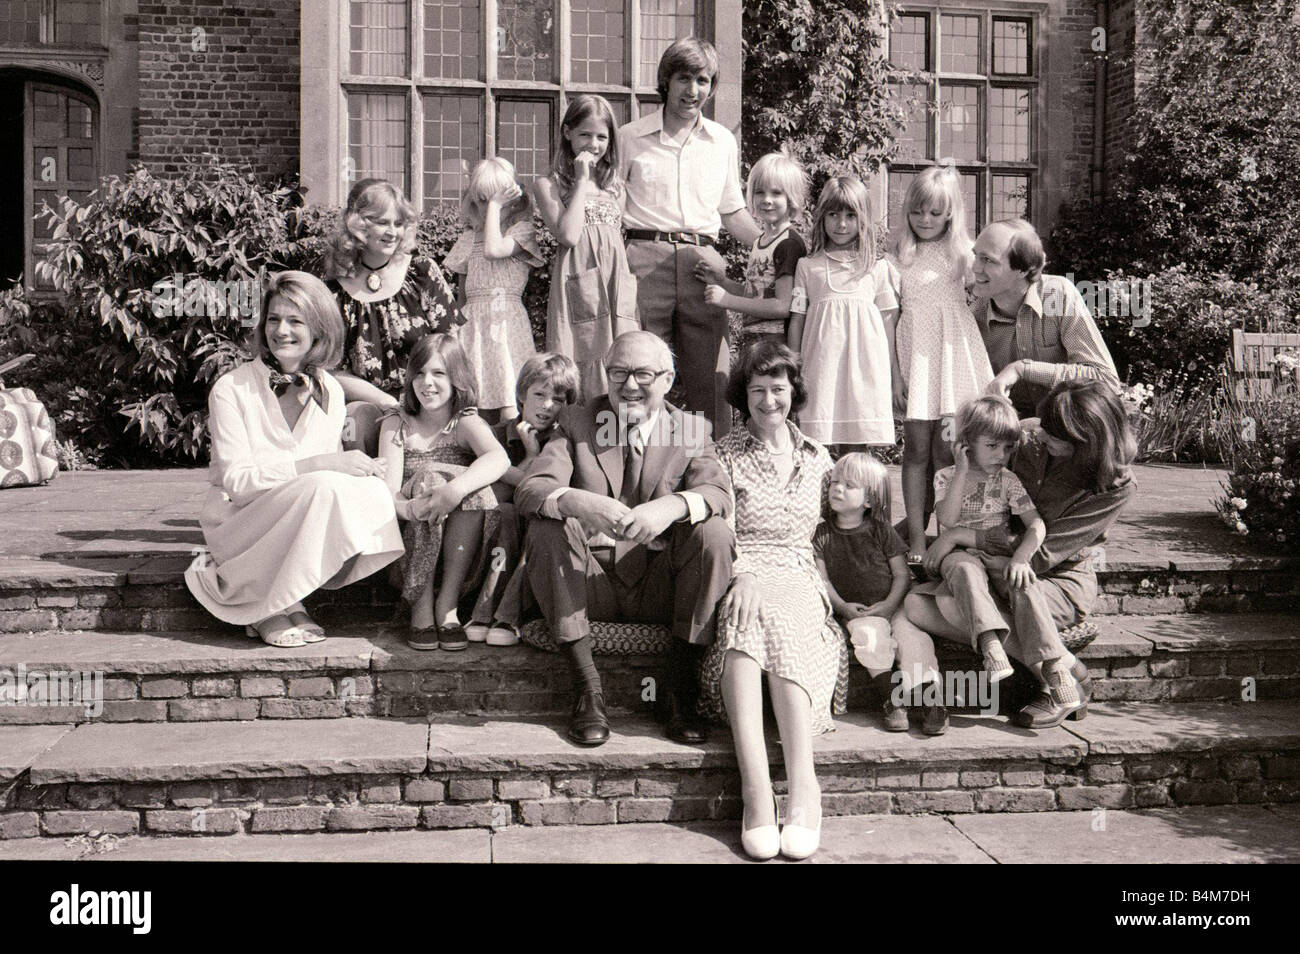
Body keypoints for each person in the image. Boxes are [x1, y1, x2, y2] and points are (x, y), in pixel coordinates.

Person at [516, 330, 734, 748]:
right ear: (604, 374)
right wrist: (578, 501)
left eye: (642, 374)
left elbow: (717, 494)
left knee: (714, 533)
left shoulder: (688, 428)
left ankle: (677, 690)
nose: (629, 385)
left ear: (667, 379)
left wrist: (670, 507)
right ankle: (587, 690)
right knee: (546, 525)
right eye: (618, 373)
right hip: (587, 582)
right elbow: (532, 489)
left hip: (660, 585)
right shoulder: (578, 421)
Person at [898, 379, 1137, 729]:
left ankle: (1052, 680)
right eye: (1041, 427)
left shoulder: (1117, 485)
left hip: (1051, 578)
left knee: (964, 600)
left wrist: (967, 536)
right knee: (919, 606)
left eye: (1052, 436)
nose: (1039, 437)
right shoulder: (1024, 437)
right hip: (988, 567)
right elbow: (964, 486)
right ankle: (1066, 661)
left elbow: (1045, 553)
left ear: (1085, 443)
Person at [185, 271, 403, 646]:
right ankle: (264, 605)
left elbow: (329, 477)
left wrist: (363, 471)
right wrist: (322, 465)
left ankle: (290, 595)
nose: (281, 331)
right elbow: (238, 484)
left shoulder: (330, 390)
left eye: (295, 321)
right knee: (322, 483)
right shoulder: (231, 388)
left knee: (368, 491)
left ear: (319, 329)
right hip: (239, 521)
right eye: (273, 319)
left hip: (298, 514)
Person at [696, 339, 841, 861]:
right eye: (756, 390)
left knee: (782, 616)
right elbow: (721, 525)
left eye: (777, 389)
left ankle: (804, 788)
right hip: (746, 567)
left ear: (793, 391)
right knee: (744, 624)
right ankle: (755, 790)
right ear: (744, 395)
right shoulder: (724, 452)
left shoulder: (819, 456)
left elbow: (840, 533)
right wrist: (742, 575)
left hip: (801, 571)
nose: (768, 401)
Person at [617, 37, 761, 438]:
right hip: (643, 260)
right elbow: (609, 207)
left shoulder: (722, 142)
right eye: (684, 78)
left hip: (704, 266)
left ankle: (710, 476)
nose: (692, 90)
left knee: (710, 378)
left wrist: (777, 246)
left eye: (702, 80)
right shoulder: (630, 136)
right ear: (666, 81)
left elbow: (732, 211)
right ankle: (633, 470)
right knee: (638, 368)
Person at [890, 162, 994, 562]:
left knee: (949, 451)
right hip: (915, 356)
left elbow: (992, 291)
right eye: (917, 211)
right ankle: (917, 539)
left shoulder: (966, 256)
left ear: (951, 212)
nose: (925, 220)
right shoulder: (898, 254)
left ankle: (947, 537)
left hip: (954, 359)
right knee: (915, 450)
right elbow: (890, 317)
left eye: (935, 212)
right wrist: (895, 377)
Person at [377, 334, 509, 650]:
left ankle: (447, 604)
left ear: (456, 378)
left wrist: (454, 490)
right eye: (419, 373)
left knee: (470, 484)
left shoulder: (464, 422)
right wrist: (412, 507)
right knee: (429, 480)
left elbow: (499, 458)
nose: (427, 383)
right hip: (407, 535)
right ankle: (420, 604)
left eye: (439, 373)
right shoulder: (397, 423)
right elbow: (389, 492)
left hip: (458, 538)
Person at [323, 178, 463, 455]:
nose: (392, 232)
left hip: (428, 398)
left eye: (399, 224)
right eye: (382, 222)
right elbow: (330, 369)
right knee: (354, 419)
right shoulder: (333, 289)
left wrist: (422, 400)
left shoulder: (422, 273)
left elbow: (451, 348)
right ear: (358, 225)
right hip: (372, 405)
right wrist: (386, 401)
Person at [924, 394, 1047, 683]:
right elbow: (948, 520)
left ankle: (1054, 666)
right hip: (958, 555)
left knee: (1024, 582)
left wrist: (1021, 558)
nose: (1000, 455)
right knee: (965, 569)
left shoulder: (1008, 480)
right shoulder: (946, 476)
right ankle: (991, 646)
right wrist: (962, 471)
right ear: (965, 444)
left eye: (1007, 448)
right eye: (991, 446)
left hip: (994, 552)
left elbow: (1036, 524)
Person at [467, 351, 581, 644]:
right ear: (521, 395)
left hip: (542, 544)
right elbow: (500, 489)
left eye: (557, 399)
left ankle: (507, 618)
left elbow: (548, 495)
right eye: (539, 394)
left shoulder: (568, 440)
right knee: (506, 513)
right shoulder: (495, 436)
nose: (546, 406)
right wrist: (529, 455)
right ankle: (483, 613)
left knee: (540, 521)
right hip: (491, 542)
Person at [533, 95, 640, 402]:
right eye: (585, 134)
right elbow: (567, 234)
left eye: (602, 137)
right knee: (581, 353)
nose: (593, 144)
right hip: (578, 283)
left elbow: (616, 238)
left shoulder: (615, 187)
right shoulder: (549, 184)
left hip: (614, 282)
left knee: (620, 355)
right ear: (567, 133)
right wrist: (582, 181)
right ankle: (577, 433)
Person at [789, 175, 900, 453]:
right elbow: (797, 322)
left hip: (864, 372)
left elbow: (889, 326)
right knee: (816, 447)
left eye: (851, 215)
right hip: (821, 370)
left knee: (857, 453)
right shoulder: (808, 266)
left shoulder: (876, 267)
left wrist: (894, 377)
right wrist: (791, 371)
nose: (841, 223)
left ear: (863, 218)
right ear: (821, 217)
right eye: (833, 214)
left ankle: (858, 497)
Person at [970, 218, 1120, 418]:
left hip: (1068, 428)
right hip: (1008, 434)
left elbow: (1104, 380)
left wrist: (1023, 369)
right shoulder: (973, 315)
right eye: (976, 256)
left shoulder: (1058, 295)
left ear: (1022, 269)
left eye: (988, 260)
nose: (975, 268)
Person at [812, 453, 913, 732]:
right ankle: (892, 700)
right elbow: (823, 581)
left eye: (849, 485)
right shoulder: (821, 535)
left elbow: (902, 574)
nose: (837, 488)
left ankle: (931, 702)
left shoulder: (881, 531)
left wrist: (890, 606)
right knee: (869, 638)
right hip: (857, 611)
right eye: (834, 482)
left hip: (892, 605)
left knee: (910, 639)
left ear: (869, 500)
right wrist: (842, 607)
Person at [444, 158, 544, 422]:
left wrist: (495, 206)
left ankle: (515, 449)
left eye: (497, 200)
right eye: (483, 200)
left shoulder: (522, 232)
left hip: (506, 320)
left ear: (513, 200)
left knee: (508, 388)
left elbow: (493, 250)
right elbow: (461, 293)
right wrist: (456, 328)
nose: (489, 208)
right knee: (476, 391)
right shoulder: (468, 239)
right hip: (474, 324)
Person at [696, 151, 809, 354]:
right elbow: (755, 296)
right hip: (754, 338)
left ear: (791, 199)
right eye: (759, 192)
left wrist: (728, 301)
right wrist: (722, 282)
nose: (766, 200)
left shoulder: (788, 244)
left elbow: (782, 306)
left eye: (776, 193)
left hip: (776, 342)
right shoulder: (760, 241)